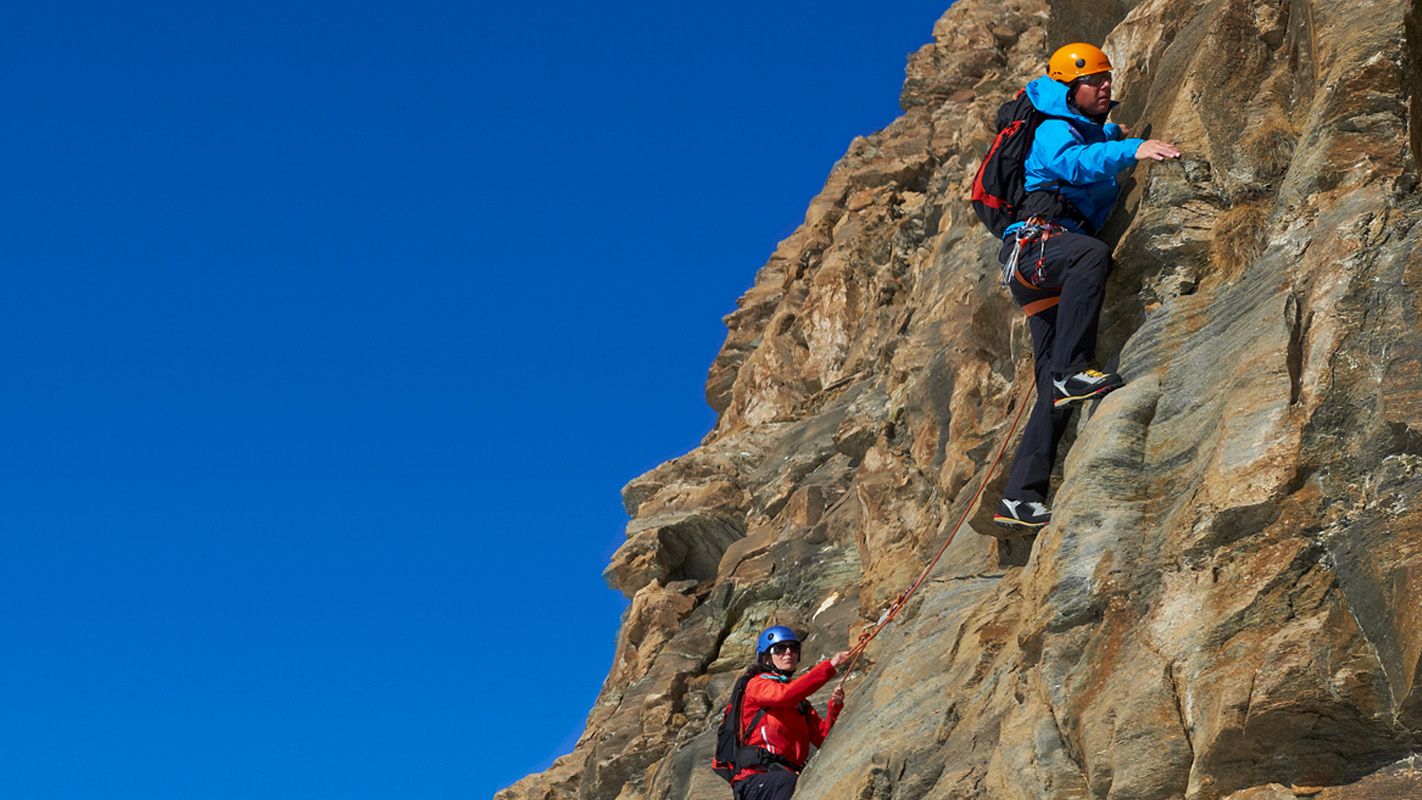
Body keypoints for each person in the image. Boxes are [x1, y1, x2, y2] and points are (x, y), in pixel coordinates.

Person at [993, 42, 1181, 529]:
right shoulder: (1053, 128)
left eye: (1106, 78)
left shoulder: (1080, 129)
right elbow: (1072, 164)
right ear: (1068, 89)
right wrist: (1131, 149)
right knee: (1091, 255)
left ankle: (1020, 497)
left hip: (1040, 266)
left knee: (1050, 392)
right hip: (1040, 248)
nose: (1104, 86)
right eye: (1093, 81)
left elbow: (1089, 152)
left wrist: (1111, 136)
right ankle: (1073, 370)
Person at [729, 626, 850, 800]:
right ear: (766, 657)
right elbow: (783, 695)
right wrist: (829, 666)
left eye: (793, 648)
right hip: (755, 779)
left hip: (785, 778)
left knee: (791, 781)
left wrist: (834, 707)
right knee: (787, 782)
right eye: (780, 649)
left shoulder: (799, 704)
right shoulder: (756, 685)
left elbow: (823, 738)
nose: (788, 653)